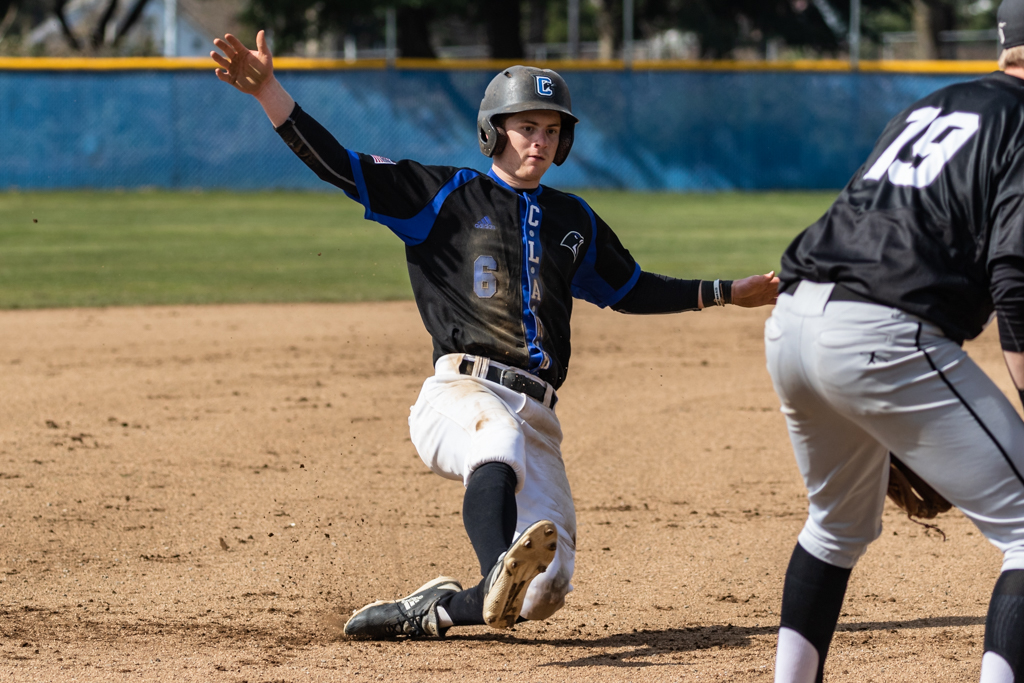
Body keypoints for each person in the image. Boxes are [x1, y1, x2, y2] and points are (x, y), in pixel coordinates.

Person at [211, 31, 779, 639]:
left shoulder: (575, 219)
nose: (540, 140)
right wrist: (268, 89)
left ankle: (440, 607)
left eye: (552, 130)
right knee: (497, 438)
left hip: (540, 413)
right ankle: (493, 572)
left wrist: (725, 292)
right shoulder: (443, 196)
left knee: (546, 589)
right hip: (459, 396)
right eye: (526, 126)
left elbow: (631, 289)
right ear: (493, 132)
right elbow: (339, 165)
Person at [765, 2, 1024, 680]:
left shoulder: (936, 102)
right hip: (884, 336)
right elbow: (1015, 276)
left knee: (835, 526)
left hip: (793, 319)